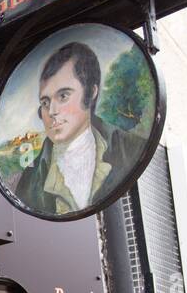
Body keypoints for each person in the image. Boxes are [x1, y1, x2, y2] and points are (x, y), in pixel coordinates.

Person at [13, 40, 147, 216]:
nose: (52, 111)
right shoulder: (30, 181)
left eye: (63, 96)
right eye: (45, 102)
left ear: (91, 93)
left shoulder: (130, 148)